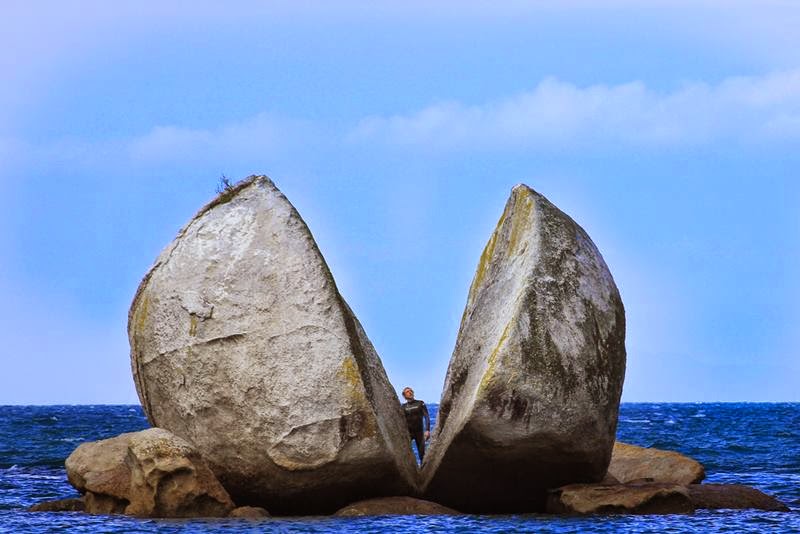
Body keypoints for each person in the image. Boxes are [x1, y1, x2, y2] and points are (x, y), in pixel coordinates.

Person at [401, 386, 430, 462]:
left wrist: (427, 430)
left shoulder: (420, 403)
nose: (410, 392)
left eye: (411, 391)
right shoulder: (403, 407)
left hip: (419, 432)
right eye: (407, 391)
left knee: (422, 454)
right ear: (404, 395)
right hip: (409, 433)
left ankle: (423, 471)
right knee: (405, 453)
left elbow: (426, 417)